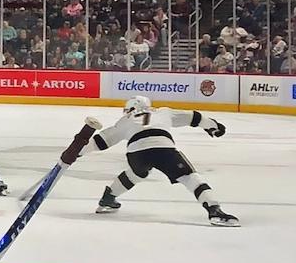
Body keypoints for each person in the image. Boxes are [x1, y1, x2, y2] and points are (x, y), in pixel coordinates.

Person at [90, 96, 238, 226]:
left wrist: (78, 151)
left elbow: (101, 141)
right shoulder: (163, 112)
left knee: (136, 173)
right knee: (189, 177)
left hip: (136, 153)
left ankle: (108, 198)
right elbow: (194, 117)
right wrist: (214, 125)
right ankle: (214, 210)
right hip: (163, 147)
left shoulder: (124, 120)